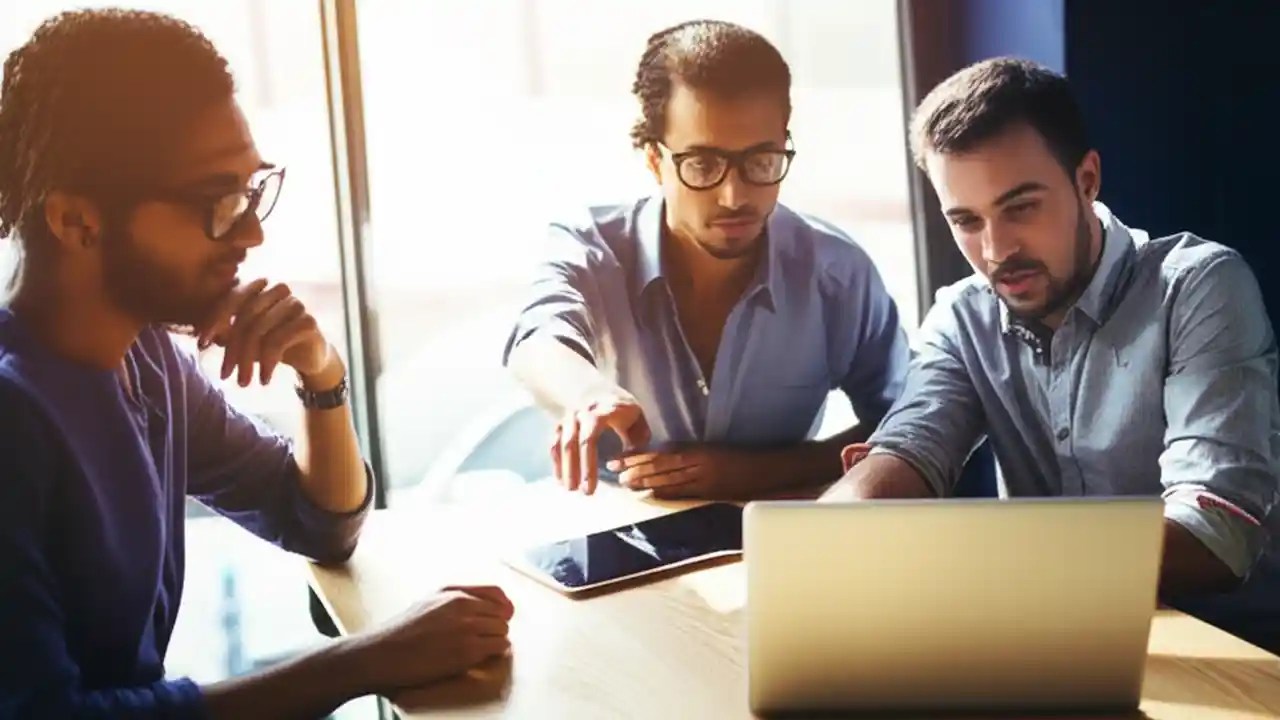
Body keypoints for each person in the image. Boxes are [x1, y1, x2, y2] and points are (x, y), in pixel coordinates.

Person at [0, 10, 513, 717]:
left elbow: (317, 523)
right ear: (77, 221)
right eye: (217, 201)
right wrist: (364, 661)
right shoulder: (15, 414)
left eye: (252, 188)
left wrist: (322, 372)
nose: (252, 230)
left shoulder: (146, 362)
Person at [823, 57, 1280, 652]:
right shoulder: (963, 315)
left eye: (1021, 207)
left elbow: (1216, 533)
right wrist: (837, 529)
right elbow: (910, 446)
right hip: (1059, 647)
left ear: (1086, 180)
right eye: (965, 220)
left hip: (1232, 652)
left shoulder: (1198, 287)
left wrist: (990, 558)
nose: (995, 250)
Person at [504, 20, 909, 499]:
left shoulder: (836, 273)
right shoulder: (591, 244)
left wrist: (759, 472)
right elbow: (538, 341)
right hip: (616, 536)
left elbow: (909, 420)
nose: (734, 196)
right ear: (655, 160)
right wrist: (591, 396)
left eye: (761, 161)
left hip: (771, 544)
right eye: (702, 164)